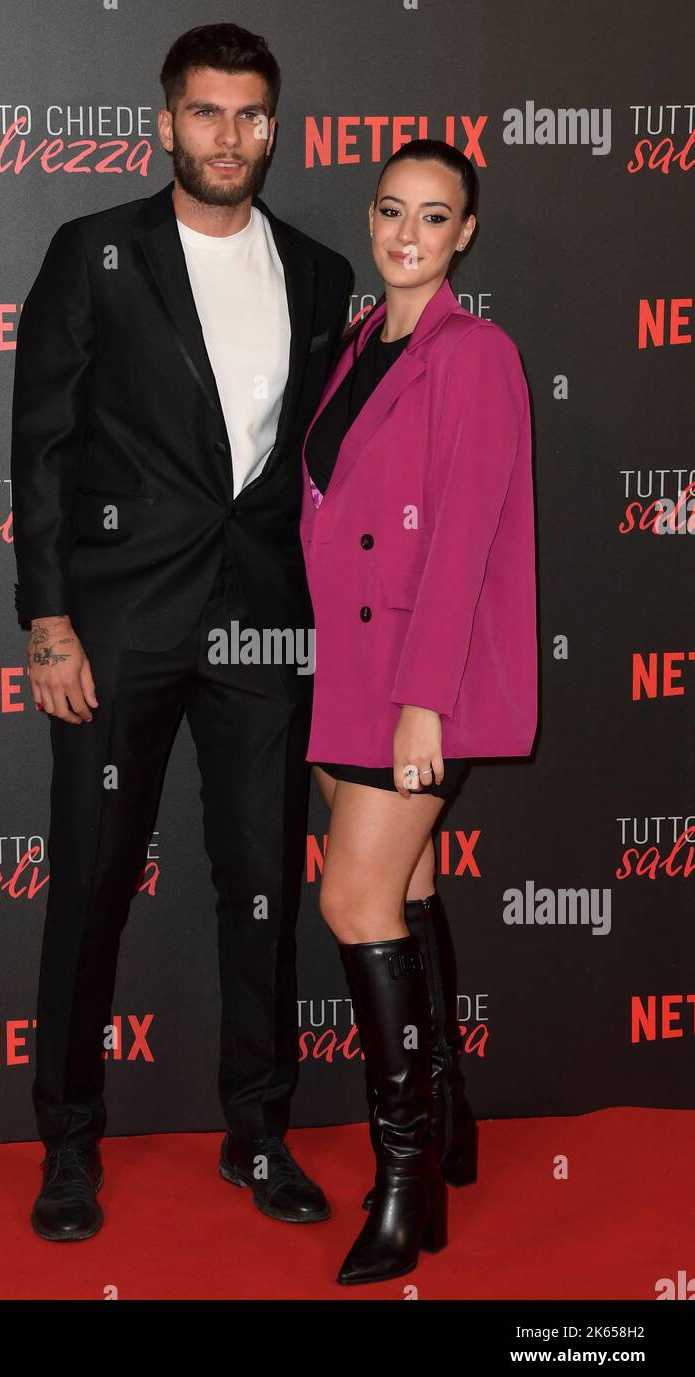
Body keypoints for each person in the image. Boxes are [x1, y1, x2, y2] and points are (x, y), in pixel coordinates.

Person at [10, 23, 353, 1241]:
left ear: (275, 125)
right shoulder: (94, 252)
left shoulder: (319, 273)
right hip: (118, 625)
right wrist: (47, 621)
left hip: (262, 628)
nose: (227, 135)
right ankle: (67, 1144)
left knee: (261, 881)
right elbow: (42, 446)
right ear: (165, 123)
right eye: (204, 112)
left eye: (249, 114)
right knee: (92, 884)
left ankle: (257, 1131)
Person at [299, 139, 538, 1284]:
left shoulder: (476, 352)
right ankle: (448, 1126)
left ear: (464, 234)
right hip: (350, 671)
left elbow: (458, 548)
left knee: (351, 896)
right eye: (392, 209)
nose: (406, 233)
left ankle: (401, 1183)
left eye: (433, 216)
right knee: (405, 887)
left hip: (413, 682)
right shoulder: (357, 346)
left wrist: (420, 706)